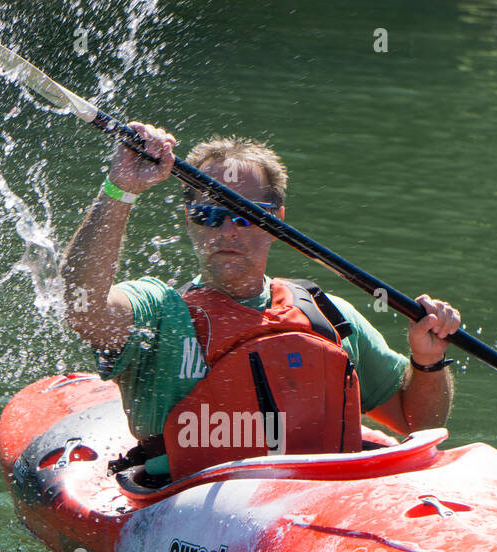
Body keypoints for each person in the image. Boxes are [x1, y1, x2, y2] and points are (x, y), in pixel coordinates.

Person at [62, 122, 461, 481]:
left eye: (246, 215)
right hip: (195, 513)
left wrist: (427, 360)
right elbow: (85, 311)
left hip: (325, 505)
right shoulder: (159, 311)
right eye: (208, 214)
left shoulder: (329, 317)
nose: (227, 231)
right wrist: (120, 189)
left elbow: (418, 421)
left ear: (278, 221)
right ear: (189, 219)